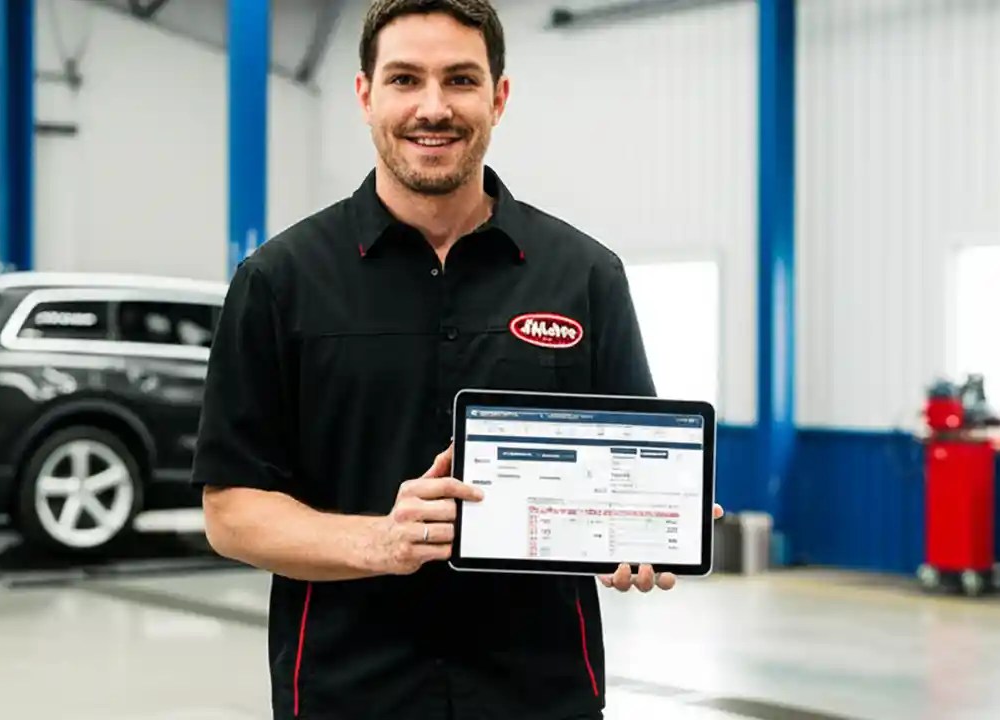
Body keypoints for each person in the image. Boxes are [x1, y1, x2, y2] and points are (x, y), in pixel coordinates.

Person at [192, 1, 722, 718]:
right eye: (405, 79)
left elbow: (626, 472)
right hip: (347, 694)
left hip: (540, 695)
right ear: (365, 95)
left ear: (498, 97)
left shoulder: (584, 275)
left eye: (461, 80)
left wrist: (646, 525)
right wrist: (379, 542)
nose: (433, 107)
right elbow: (230, 512)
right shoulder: (278, 281)